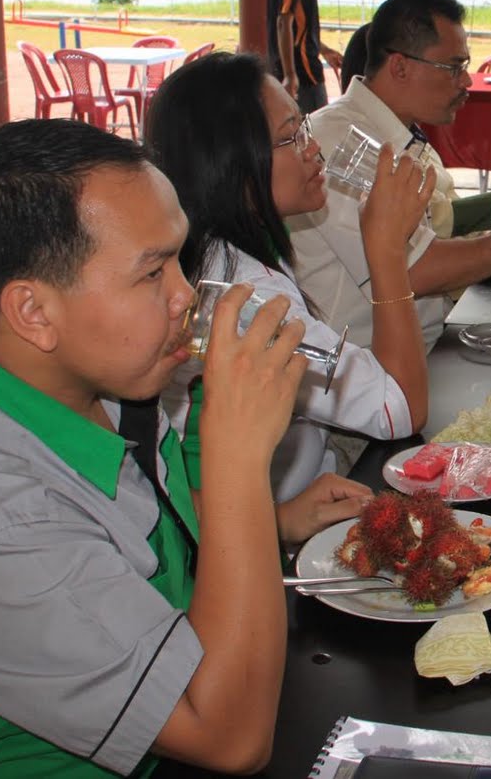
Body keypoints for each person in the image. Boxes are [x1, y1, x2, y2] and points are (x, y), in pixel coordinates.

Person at [0, 119, 369, 775]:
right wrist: (240, 455)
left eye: (179, 259)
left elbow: (136, 514)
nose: (186, 296)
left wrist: (275, 517)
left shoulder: (63, 369)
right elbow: (233, 738)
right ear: (33, 311)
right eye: (153, 271)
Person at [145, 51, 434, 490]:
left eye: (304, 126)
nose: (313, 147)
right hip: (272, 515)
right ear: (234, 164)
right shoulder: (246, 295)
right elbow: (401, 410)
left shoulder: (223, 246)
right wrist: (387, 251)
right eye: (291, 136)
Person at [290, 0, 491, 346]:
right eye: (453, 67)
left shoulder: (397, 134)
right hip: (363, 372)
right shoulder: (340, 142)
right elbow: (415, 271)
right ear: (400, 66)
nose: (466, 81)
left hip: (427, 340)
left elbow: (435, 236)